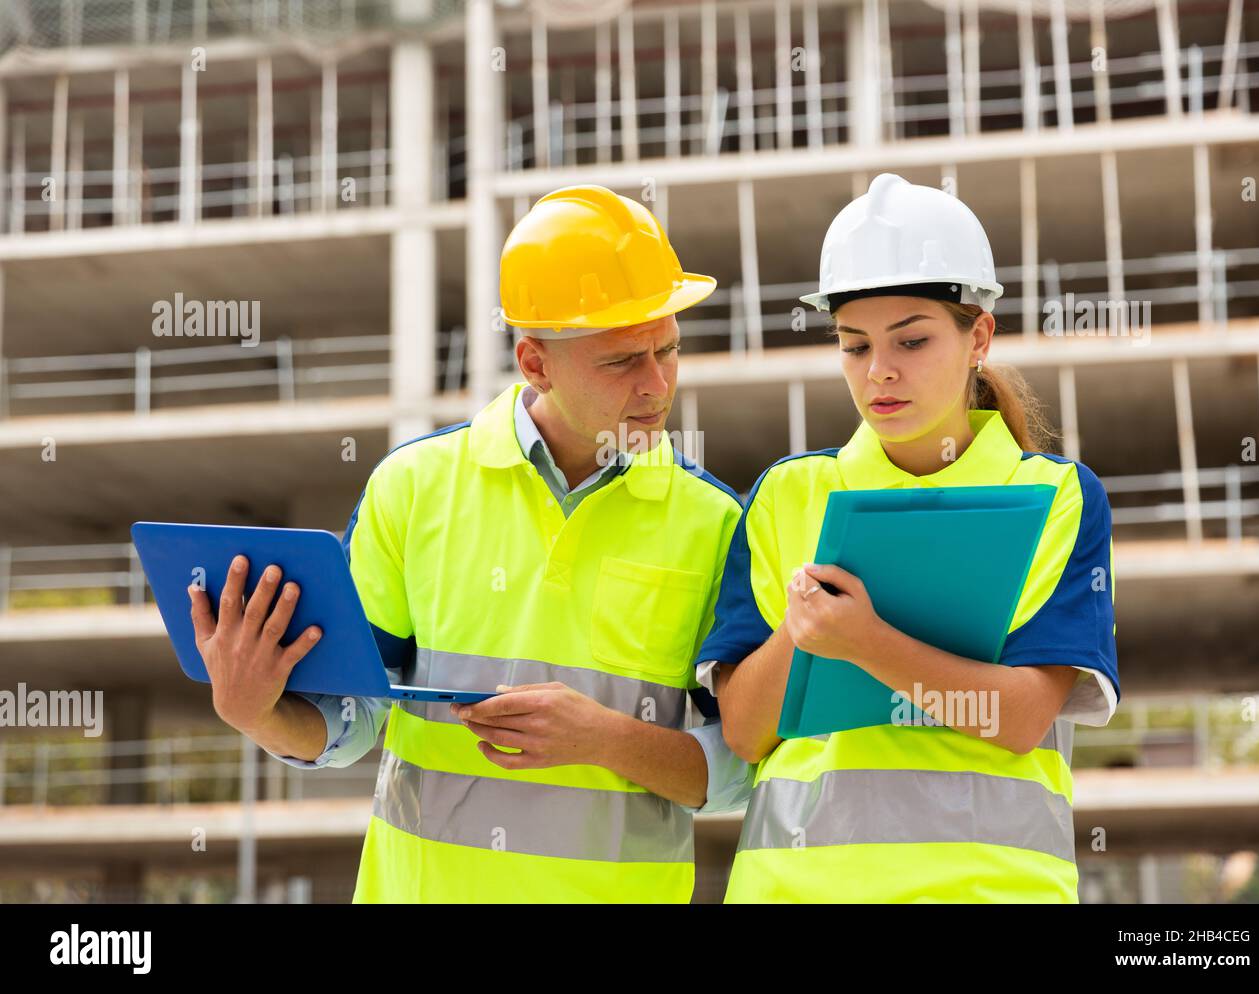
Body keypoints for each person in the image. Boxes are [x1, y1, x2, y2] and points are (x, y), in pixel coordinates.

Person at [193, 185, 751, 902]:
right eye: (621, 362)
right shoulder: (414, 487)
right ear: (535, 362)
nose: (656, 386)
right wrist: (256, 712)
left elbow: (737, 772)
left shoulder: (715, 522)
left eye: (667, 350)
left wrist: (605, 740)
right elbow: (353, 718)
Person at [699, 173, 1121, 903]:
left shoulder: (1054, 496)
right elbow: (743, 733)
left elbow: (1018, 718)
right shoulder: (786, 496)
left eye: (912, 340)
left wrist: (864, 640)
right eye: (853, 346)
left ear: (978, 336)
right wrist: (802, 632)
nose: (880, 372)